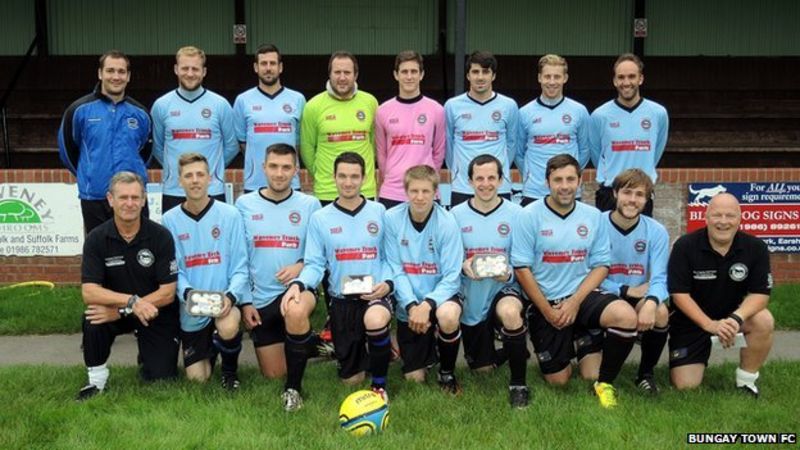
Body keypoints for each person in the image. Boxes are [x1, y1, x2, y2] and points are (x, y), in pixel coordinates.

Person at [511, 154, 638, 409]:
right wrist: (547, 311)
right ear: (547, 182)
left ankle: (605, 384)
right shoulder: (528, 215)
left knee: (625, 316)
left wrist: (575, 302)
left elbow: (602, 265)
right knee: (558, 380)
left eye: (570, 179)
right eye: (558, 179)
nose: (565, 185)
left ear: (580, 181)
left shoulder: (593, 216)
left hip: (583, 295)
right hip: (547, 302)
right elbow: (522, 269)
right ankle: (580, 340)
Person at [282, 152, 394, 406]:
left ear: (365, 178)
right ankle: (371, 350)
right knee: (351, 380)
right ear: (334, 178)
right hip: (342, 302)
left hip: (375, 296)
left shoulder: (380, 213)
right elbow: (314, 263)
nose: (348, 182)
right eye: (342, 176)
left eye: (354, 176)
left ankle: (379, 386)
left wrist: (386, 284)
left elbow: (390, 258)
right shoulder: (321, 218)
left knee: (375, 319)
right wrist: (299, 284)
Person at [76, 171, 179, 401]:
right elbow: (89, 291)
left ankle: (148, 354)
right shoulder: (96, 238)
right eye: (123, 198)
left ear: (144, 200)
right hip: (118, 311)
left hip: (155, 312)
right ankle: (96, 380)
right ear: (110, 200)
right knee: (93, 316)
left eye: (135, 198)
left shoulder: (161, 236)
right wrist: (130, 303)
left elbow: (168, 293)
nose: (129, 204)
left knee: (161, 379)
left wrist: (127, 308)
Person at [235, 143, 322, 410]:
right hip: (260, 298)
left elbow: (320, 254)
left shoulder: (310, 204)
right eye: (273, 166)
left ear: (296, 170)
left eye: (286, 167)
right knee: (273, 373)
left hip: (297, 290)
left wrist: (299, 266)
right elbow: (239, 258)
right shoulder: (244, 204)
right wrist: (246, 302)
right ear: (263, 168)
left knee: (296, 312)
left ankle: (293, 391)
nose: (280, 173)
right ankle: (313, 342)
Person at [668, 193, 774, 397]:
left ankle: (746, 381)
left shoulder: (756, 248)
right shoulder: (685, 246)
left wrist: (736, 318)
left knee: (764, 319)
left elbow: (760, 293)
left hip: (733, 318)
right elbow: (679, 294)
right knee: (686, 386)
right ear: (706, 217)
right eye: (717, 215)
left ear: (740, 219)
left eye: (730, 216)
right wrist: (710, 325)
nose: (723, 222)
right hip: (691, 321)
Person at [161, 153, 249, 391]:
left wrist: (230, 297)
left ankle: (230, 374)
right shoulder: (169, 220)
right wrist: (189, 294)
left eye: (200, 174)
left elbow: (241, 266)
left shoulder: (229, 215)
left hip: (224, 303)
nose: (195, 180)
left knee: (229, 325)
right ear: (179, 181)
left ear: (210, 178)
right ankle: (211, 347)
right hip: (192, 306)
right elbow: (174, 270)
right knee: (197, 379)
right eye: (188, 175)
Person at [451, 155, 530, 408]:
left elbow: (523, 260)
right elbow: (449, 257)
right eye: (479, 178)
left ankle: (518, 385)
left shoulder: (517, 214)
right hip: (471, 291)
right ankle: (511, 349)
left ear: (501, 179)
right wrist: (462, 266)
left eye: (491, 178)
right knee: (482, 370)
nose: (485, 184)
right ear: (470, 180)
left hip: (503, 286)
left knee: (509, 312)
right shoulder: (455, 215)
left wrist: (507, 274)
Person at [384, 165, 464, 393]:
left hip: (439, 299)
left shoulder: (447, 222)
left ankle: (447, 373)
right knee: (414, 378)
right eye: (414, 191)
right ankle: (427, 352)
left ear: (436, 192)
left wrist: (427, 305)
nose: (420, 197)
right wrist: (411, 305)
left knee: (448, 317)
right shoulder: (391, 219)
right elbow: (395, 268)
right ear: (406, 191)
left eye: (426, 191)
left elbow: (452, 276)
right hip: (408, 304)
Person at [58, 50, 152, 234]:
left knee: (138, 252)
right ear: (100, 73)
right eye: (110, 71)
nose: (116, 76)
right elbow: (68, 151)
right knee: (100, 253)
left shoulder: (140, 113)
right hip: (95, 196)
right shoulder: (78, 110)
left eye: (121, 71)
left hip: (131, 197)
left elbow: (146, 153)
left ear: (128, 76)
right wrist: (90, 174)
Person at [600, 168, 670, 395]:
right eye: (627, 192)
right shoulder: (596, 224)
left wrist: (650, 302)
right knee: (590, 374)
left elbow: (660, 278)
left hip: (640, 296)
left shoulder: (656, 231)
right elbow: (584, 274)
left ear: (647, 199)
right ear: (615, 194)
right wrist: (625, 289)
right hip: (603, 295)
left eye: (639, 194)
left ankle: (645, 374)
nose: (632, 200)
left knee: (660, 312)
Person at [152, 46, 238, 212]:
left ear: (204, 71)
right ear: (176, 69)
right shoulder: (161, 105)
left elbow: (231, 146)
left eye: (195, 69)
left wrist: (210, 169)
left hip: (212, 190)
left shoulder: (220, 105)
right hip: (174, 190)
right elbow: (158, 147)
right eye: (185, 68)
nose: (190, 74)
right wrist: (176, 171)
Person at [589, 53, 669, 216]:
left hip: (641, 193)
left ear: (640, 79)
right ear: (615, 81)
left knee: (639, 241)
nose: (626, 82)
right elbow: (595, 153)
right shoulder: (599, 115)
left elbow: (657, 150)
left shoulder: (658, 113)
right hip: (610, 193)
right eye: (621, 77)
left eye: (632, 76)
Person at [300, 51, 379, 203]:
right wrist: (321, 175)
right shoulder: (313, 106)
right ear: (329, 74)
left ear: (355, 75)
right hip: (327, 191)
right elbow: (307, 148)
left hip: (364, 190)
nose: (342, 78)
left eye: (347, 72)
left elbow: (374, 143)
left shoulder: (370, 102)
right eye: (337, 72)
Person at [444, 50, 519, 206]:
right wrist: (458, 172)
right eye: (475, 72)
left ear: (493, 75)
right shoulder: (452, 106)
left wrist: (498, 169)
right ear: (468, 75)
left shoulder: (508, 106)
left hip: (498, 187)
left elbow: (512, 145)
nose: (480, 77)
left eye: (485, 72)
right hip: (463, 187)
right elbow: (448, 145)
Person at [375, 50, 445, 209]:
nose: (409, 76)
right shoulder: (383, 111)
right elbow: (381, 153)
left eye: (414, 71)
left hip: (425, 191)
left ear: (421, 75)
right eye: (404, 72)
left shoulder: (436, 110)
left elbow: (439, 152)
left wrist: (428, 179)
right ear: (396, 75)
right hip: (392, 191)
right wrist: (391, 177)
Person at [517, 54, 590, 206]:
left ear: (565, 78)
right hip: (534, 191)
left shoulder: (579, 111)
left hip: (568, 192)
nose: (552, 82)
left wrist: (569, 176)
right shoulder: (524, 113)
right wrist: (533, 176)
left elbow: (585, 151)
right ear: (539, 78)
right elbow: (518, 153)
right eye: (547, 76)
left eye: (557, 77)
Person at [233, 44, 306, 193]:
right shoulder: (243, 100)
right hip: (255, 184)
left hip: (290, 183)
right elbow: (242, 144)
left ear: (280, 67)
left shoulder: (298, 99)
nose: (268, 68)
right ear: (256, 67)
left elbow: (299, 144)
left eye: (272, 63)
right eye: (263, 63)